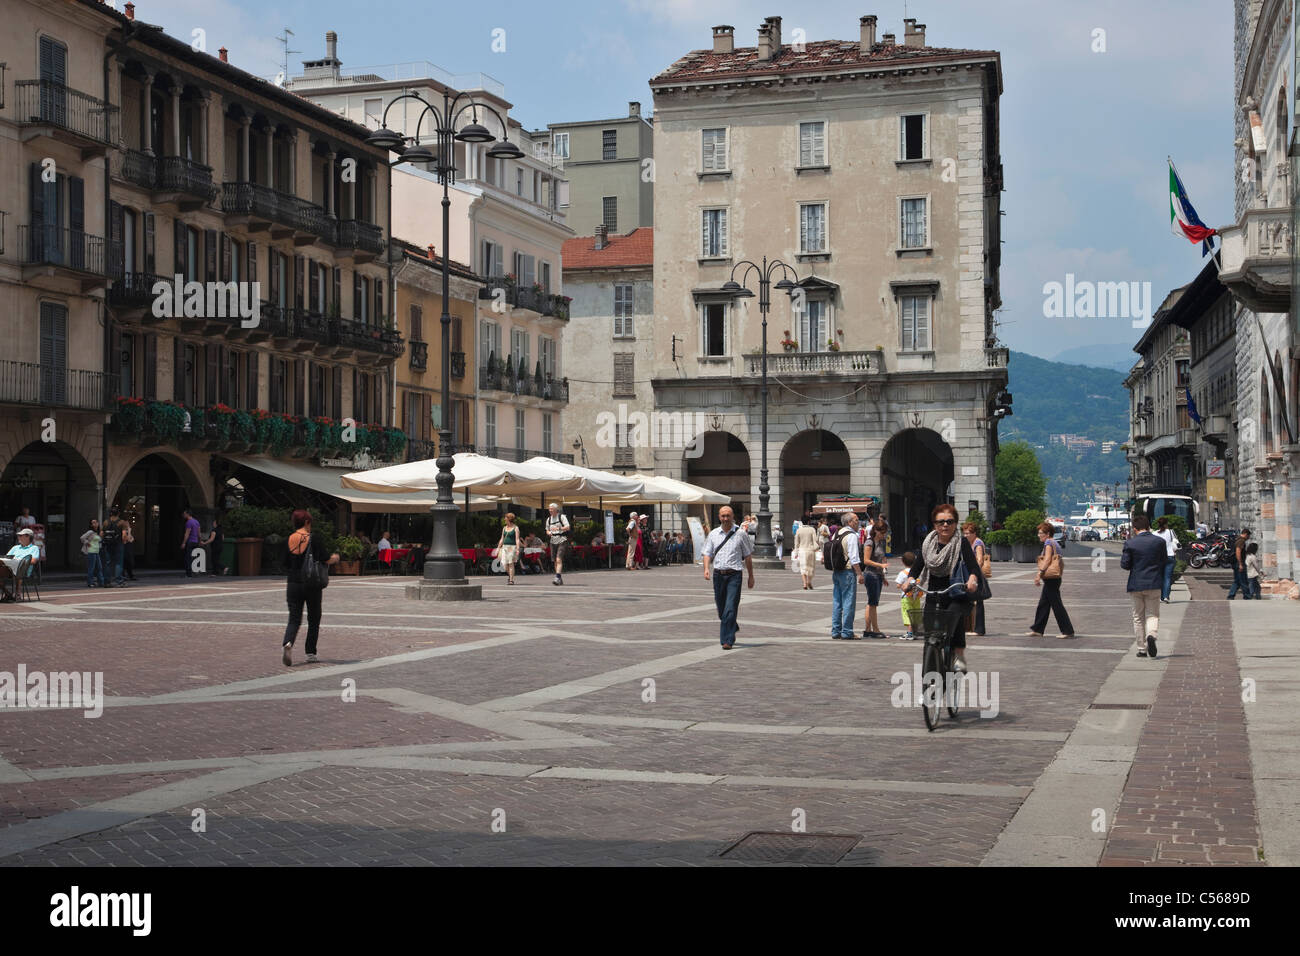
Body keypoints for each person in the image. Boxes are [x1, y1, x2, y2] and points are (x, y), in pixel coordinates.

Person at [902, 504, 979, 671]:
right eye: (941, 522)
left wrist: (972, 578)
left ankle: (959, 654)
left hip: (956, 591)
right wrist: (910, 579)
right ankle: (927, 684)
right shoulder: (928, 543)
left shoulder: (961, 543)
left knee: (954, 616)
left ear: (955, 523)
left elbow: (974, 567)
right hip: (934, 592)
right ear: (934, 524)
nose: (945, 525)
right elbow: (918, 565)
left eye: (950, 521)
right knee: (929, 638)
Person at [282, 509, 339, 666]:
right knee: (314, 618)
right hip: (311, 584)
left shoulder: (289, 539)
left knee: (294, 618)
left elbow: (285, 563)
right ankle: (310, 652)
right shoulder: (314, 539)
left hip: (293, 584)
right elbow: (326, 558)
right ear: (307, 522)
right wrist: (335, 558)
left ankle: (288, 643)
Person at [702, 505, 755, 650]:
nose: (725, 518)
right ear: (719, 517)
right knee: (721, 608)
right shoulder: (713, 534)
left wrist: (751, 576)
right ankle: (733, 625)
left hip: (734, 575)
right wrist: (706, 568)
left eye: (728, 516)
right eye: (723, 516)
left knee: (730, 607)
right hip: (718, 574)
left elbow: (748, 556)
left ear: (733, 517)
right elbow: (707, 553)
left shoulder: (741, 534)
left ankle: (727, 640)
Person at [1121, 513, 1166, 659]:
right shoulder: (1159, 542)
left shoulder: (1130, 543)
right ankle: (1151, 635)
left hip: (1136, 584)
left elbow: (1125, 565)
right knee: (1153, 614)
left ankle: (1141, 649)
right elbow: (1163, 561)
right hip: (1153, 582)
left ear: (1135, 529)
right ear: (1148, 526)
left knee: (1138, 617)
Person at [1029, 521, 1074, 639]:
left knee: (1057, 605)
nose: (1039, 535)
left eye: (1041, 533)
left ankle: (1067, 631)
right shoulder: (1054, 542)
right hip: (1054, 578)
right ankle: (1038, 629)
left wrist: (1039, 573)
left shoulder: (1049, 542)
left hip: (1051, 578)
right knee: (1043, 604)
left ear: (1047, 534)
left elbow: (1048, 559)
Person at [829, 511, 865, 641]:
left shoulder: (836, 534)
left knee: (837, 601)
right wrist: (860, 574)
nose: (858, 522)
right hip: (848, 572)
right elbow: (854, 558)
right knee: (849, 602)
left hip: (837, 571)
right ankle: (847, 631)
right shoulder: (852, 536)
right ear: (849, 522)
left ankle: (835, 630)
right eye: (856, 520)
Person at [860, 521, 889, 639]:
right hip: (870, 575)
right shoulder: (869, 542)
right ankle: (875, 630)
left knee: (871, 603)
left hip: (877, 575)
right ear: (876, 531)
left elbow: (881, 559)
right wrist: (880, 565)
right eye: (882, 532)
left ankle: (867, 630)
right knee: (873, 603)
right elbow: (866, 560)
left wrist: (883, 576)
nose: (884, 535)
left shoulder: (880, 542)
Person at [1, 527, 42, 601]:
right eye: (18, 535)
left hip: (25, 570)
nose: (18, 537)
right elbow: (6, 558)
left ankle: (18, 593)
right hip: (10, 569)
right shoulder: (15, 547)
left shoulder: (34, 548)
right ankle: (8, 593)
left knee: (21, 568)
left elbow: (33, 561)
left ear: (28, 536)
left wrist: (19, 560)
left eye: (20, 535)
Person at [962, 521, 988, 636]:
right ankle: (972, 627)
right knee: (972, 601)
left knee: (977, 602)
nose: (966, 535)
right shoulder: (971, 543)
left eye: (968, 533)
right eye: (965, 533)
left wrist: (974, 574)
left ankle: (978, 629)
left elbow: (980, 560)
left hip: (977, 577)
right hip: (974, 576)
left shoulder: (977, 543)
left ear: (974, 533)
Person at [100, 507, 127, 587]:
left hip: (108, 544)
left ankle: (107, 582)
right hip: (118, 544)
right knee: (118, 563)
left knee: (107, 563)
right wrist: (124, 541)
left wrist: (103, 541)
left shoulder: (106, 522)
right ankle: (119, 581)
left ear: (110, 513)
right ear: (118, 513)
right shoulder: (122, 522)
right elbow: (124, 535)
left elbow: (101, 534)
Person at [546, 503, 571, 585]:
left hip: (562, 540)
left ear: (556, 509)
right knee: (555, 561)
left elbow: (568, 527)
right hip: (552, 541)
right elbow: (547, 530)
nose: (550, 510)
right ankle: (559, 578)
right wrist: (548, 532)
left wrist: (558, 528)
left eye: (551, 508)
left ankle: (557, 577)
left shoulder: (562, 517)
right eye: (549, 509)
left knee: (558, 559)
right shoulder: (549, 519)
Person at [898, 550, 922, 640]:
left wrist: (902, 586)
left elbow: (898, 584)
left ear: (903, 562)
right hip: (916, 597)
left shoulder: (903, 573)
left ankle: (910, 633)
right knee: (915, 614)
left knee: (907, 615)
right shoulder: (916, 573)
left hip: (906, 597)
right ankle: (915, 632)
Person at [1154, 517, 1178, 603]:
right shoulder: (1171, 532)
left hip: (1159, 557)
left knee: (1160, 577)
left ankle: (1160, 597)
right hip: (1170, 555)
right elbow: (1176, 542)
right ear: (1166, 524)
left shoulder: (1155, 533)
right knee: (1167, 578)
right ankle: (1166, 597)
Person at [793, 519, 820, 590]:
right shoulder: (812, 529)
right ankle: (809, 582)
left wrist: (796, 552)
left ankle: (804, 583)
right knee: (811, 567)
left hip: (802, 551)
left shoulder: (799, 530)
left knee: (803, 567)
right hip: (810, 550)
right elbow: (815, 540)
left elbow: (796, 542)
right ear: (808, 522)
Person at [496, 512, 521, 585]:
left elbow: (517, 539)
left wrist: (517, 548)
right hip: (505, 547)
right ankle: (510, 575)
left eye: (505, 518)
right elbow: (502, 539)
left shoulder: (516, 528)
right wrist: (498, 547)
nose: (504, 519)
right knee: (504, 564)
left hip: (512, 547)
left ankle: (511, 580)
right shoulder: (504, 528)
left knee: (510, 563)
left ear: (509, 519)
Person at [1226, 528, 1252, 599]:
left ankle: (1231, 595)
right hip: (1239, 563)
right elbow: (1238, 552)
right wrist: (1240, 563)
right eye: (1248, 536)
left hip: (1235, 563)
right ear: (1246, 534)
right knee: (1243, 580)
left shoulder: (1237, 539)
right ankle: (1247, 596)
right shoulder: (1241, 541)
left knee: (1237, 581)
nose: (1248, 538)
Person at [80, 519, 105, 588]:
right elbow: (82, 538)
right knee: (91, 568)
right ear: (91, 525)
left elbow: (99, 541)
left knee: (99, 568)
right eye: (93, 523)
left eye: (96, 522)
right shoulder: (90, 532)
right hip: (91, 552)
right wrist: (87, 543)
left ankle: (101, 582)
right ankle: (90, 582)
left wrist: (101, 536)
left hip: (96, 552)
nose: (95, 524)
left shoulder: (98, 532)